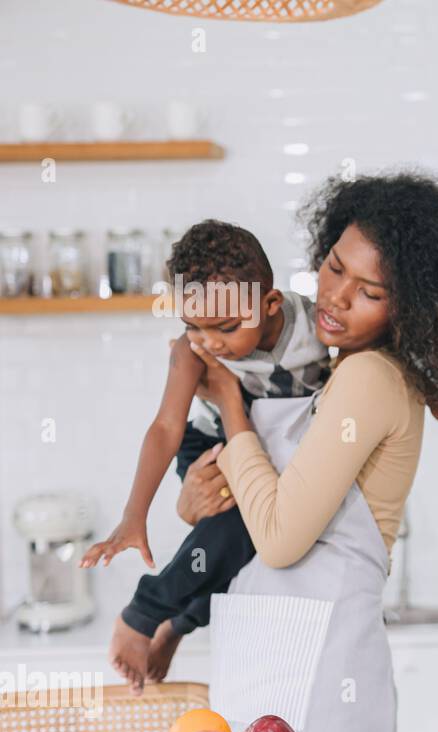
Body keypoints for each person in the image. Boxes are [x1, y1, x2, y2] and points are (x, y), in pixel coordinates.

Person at [175, 170, 438, 732]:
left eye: (369, 292)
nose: (334, 298)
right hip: (279, 659)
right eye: (334, 269)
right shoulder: (341, 369)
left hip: (319, 674)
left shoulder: (366, 378)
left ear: (409, 307)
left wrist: (228, 405)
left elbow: (281, 539)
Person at [82, 221, 332, 691]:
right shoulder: (192, 349)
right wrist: (134, 516)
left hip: (271, 450)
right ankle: (143, 615)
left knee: (250, 546)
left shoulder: (315, 328)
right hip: (211, 441)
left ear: (270, 305)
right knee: (234, 529)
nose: (209, 342)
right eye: (192, 325)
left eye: (227, 327)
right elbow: (165, 427)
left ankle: (178, 625)